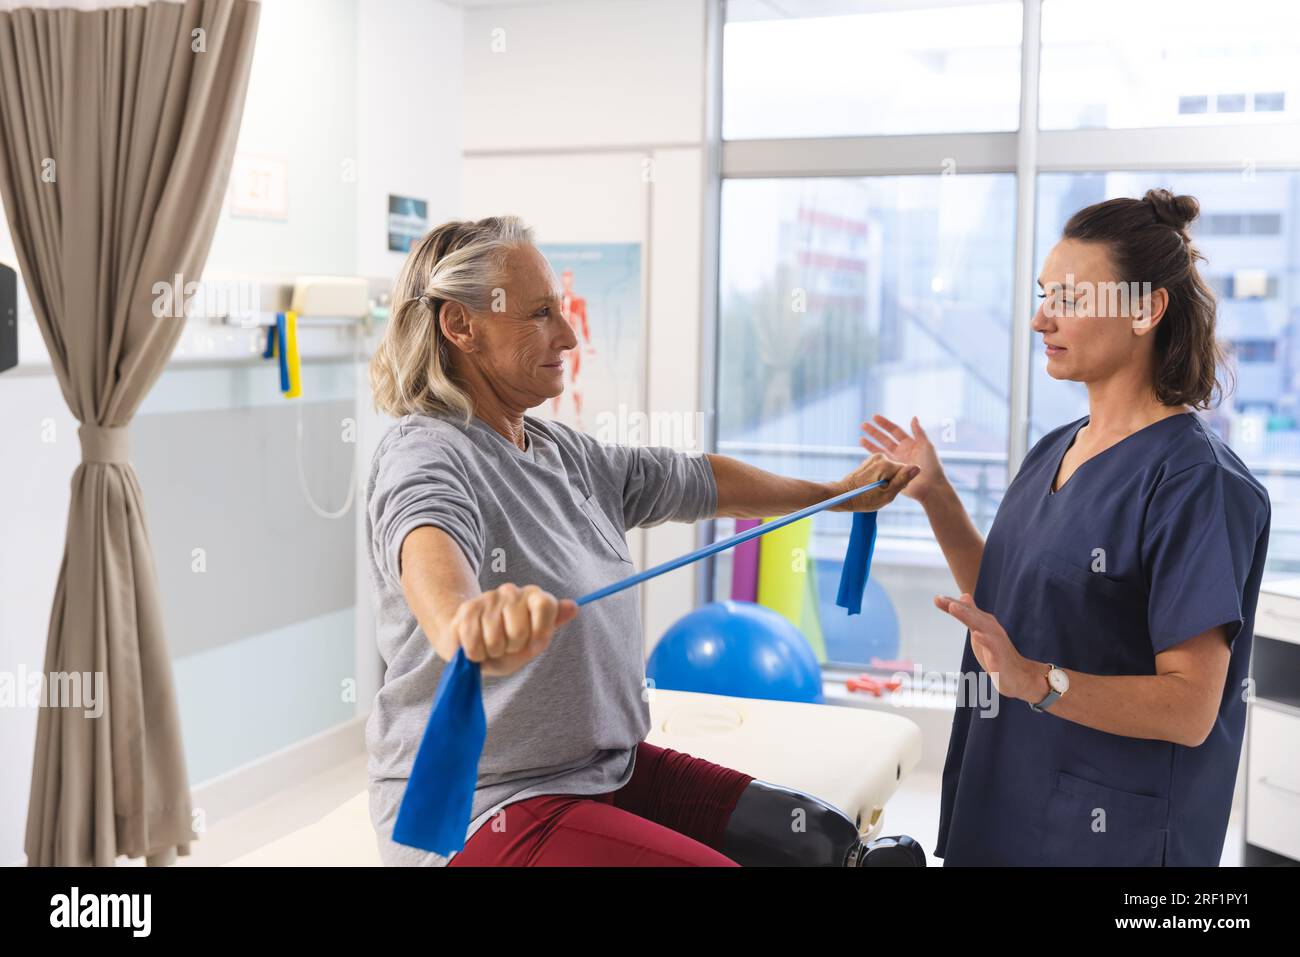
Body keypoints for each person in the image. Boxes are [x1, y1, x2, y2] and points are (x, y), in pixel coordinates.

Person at [364, 216, 922, 866]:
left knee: (827, 842)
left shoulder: (559, 451)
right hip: (486, 806)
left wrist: (836, 492)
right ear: (461, 325)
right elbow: (432, 559)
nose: (568, 335)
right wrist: (469, 625)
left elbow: (695, 479)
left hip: (604, 768)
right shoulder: (426, 455)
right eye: (541, 314)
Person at [860, 190, 1271, 866]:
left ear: (1146, 309)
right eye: (1043, 293)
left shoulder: (1198, 482)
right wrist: (935, 496)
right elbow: (1008, 601)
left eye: (1070, 300)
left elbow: (1191, 706)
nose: (1039, 317)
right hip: (1001, 803)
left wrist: (1040, 683)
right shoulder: (1056, 447)